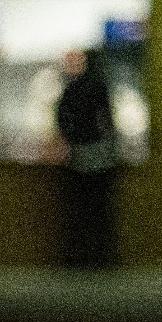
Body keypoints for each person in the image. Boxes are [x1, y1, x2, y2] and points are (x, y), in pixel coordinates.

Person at [53, 48, 120, 269]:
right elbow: (107, 120)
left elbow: (61, 116)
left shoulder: (72, 88)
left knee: (78, 213)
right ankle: (100, 259)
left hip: (78, 156)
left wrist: (71, 139)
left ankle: (77, 258)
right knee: (100, 213)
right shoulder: (100, 87)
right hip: (101, 156)